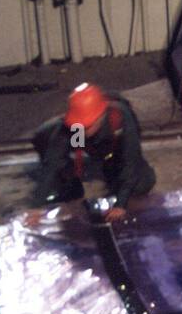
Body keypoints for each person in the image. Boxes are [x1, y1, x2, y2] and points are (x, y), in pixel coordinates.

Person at [29, 83, 156, 223]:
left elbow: (131, 161)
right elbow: (52, 164)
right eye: (79, 127)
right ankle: (71, 185)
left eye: (87, 126)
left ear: (101, 116)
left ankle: (111, 175)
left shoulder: (119, 118)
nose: (82, 130)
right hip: (88, 146)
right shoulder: (78, 128)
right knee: (43, 136)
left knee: (143, 181)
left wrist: (121, 204)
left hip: (113, 151)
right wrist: (36, 205)